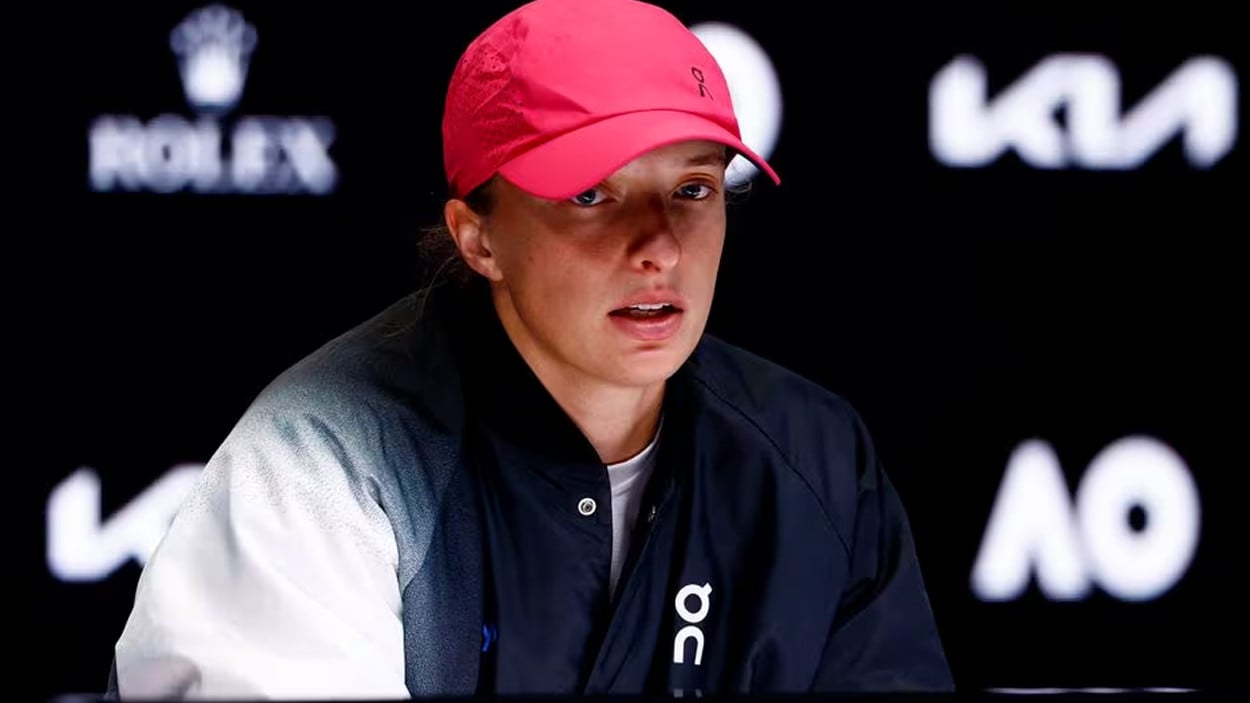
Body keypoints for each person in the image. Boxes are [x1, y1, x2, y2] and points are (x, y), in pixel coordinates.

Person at [108, 0, 954, 697]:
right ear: (478, 239)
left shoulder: (817, 461)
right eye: (592, 193)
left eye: (693, 188)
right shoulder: (323, 460)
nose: (658, 243)